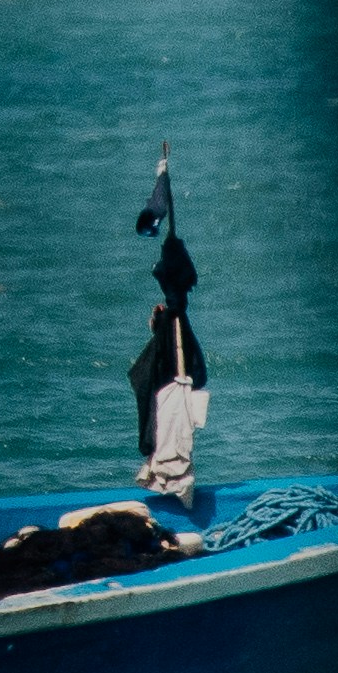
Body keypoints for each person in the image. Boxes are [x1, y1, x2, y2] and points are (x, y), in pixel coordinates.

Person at [126, 152, 205, 493]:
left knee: (154, 382)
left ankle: (167, 462)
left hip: (174, 329)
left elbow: (173, 282)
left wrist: (162, 176)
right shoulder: (175, 302)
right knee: (153, 381)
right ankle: (161, 458)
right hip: (173, 323)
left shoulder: (175, 287)